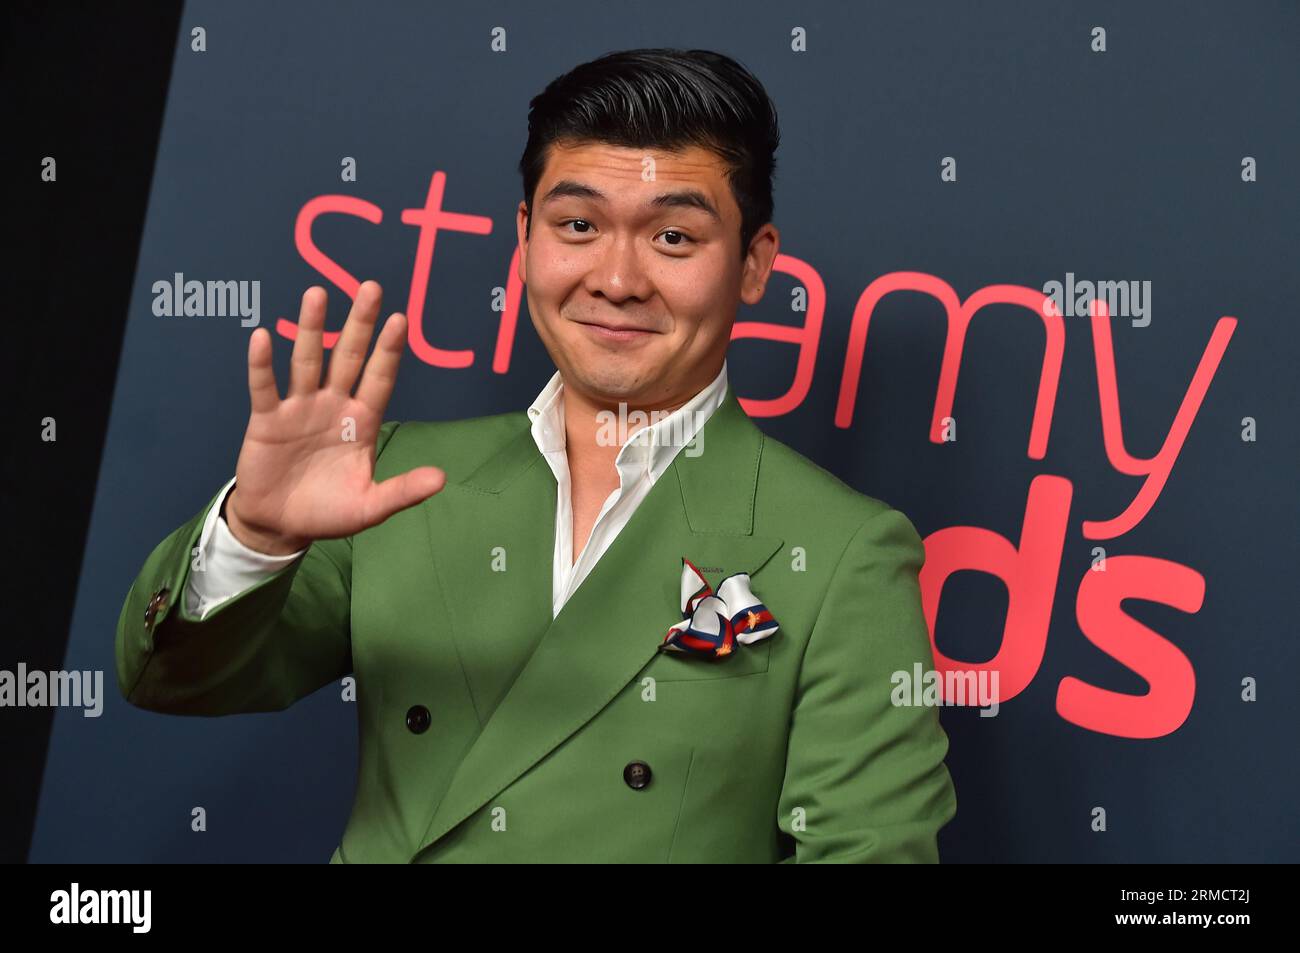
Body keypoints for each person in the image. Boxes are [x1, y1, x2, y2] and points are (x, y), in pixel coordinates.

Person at [115, 48, 957, 863]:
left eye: (672, 238)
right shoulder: (397, 482)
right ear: (525, 236)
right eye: (578, 225)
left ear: (754, 263)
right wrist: (256, 533)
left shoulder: (844, 552)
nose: (616, 278)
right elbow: (174, 681)